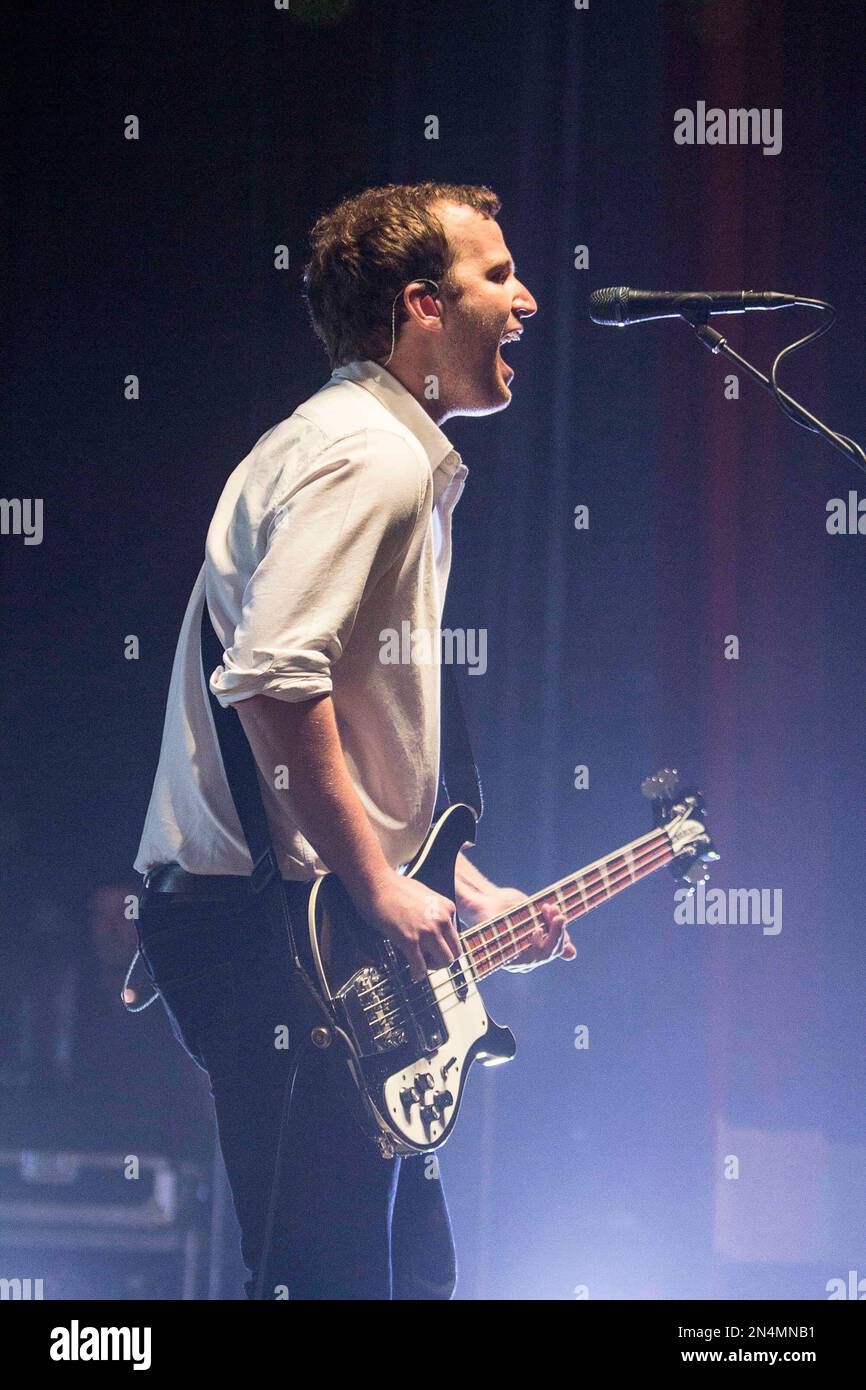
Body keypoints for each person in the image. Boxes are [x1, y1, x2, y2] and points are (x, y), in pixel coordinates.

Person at [133, 182, 576, 1300]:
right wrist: (377, 883)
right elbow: (273, 681)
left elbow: (348, 724)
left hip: (300, 926)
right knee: (326, 1281)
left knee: (401, 1278)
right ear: (421, 306)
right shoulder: (366, 457)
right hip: (267, 931)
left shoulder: (372, 450)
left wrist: (455, 883)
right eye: (495, 275)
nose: (525, 299)